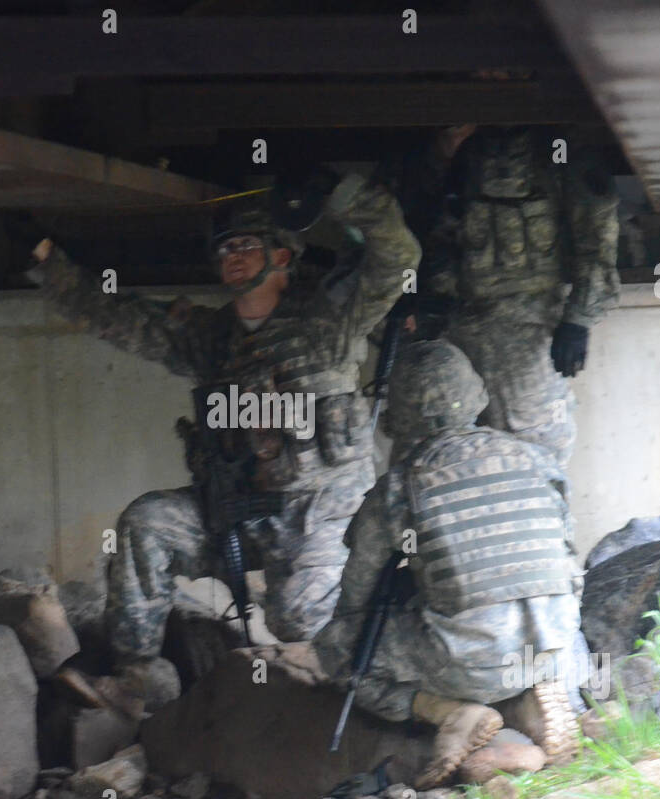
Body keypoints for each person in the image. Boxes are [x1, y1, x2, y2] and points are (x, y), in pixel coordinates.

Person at [25, 170, 421, 711]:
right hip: (240, 514)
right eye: (225, 249)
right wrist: (48, 264)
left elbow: (397, 258)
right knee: (147, 524)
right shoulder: (213, 339)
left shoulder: (328, 322)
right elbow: (116, 318)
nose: (232, 256)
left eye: (247, 245)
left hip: (322, 516)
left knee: (297, 618)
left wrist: (343, 193)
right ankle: (139, 679)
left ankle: (375, 665)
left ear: (282, 257)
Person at [313, 340, 582, 789]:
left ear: (400, 415)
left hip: (469, 661)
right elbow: (564, 552)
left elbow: (356, 596)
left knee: (335, 646)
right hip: (555, 644)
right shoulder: (537, 459)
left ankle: (454, 712)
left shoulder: (400, 486)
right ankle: (531, 696)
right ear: (477, 395)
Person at [381, 124, 620, 470]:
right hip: (449, 330)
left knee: (532, 453)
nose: (490, 78)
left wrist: (579, 318)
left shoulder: (557, 148)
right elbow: (414, 223)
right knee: (431, 455)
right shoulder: (451, 149)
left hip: (524, 333)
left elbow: (597, 234)